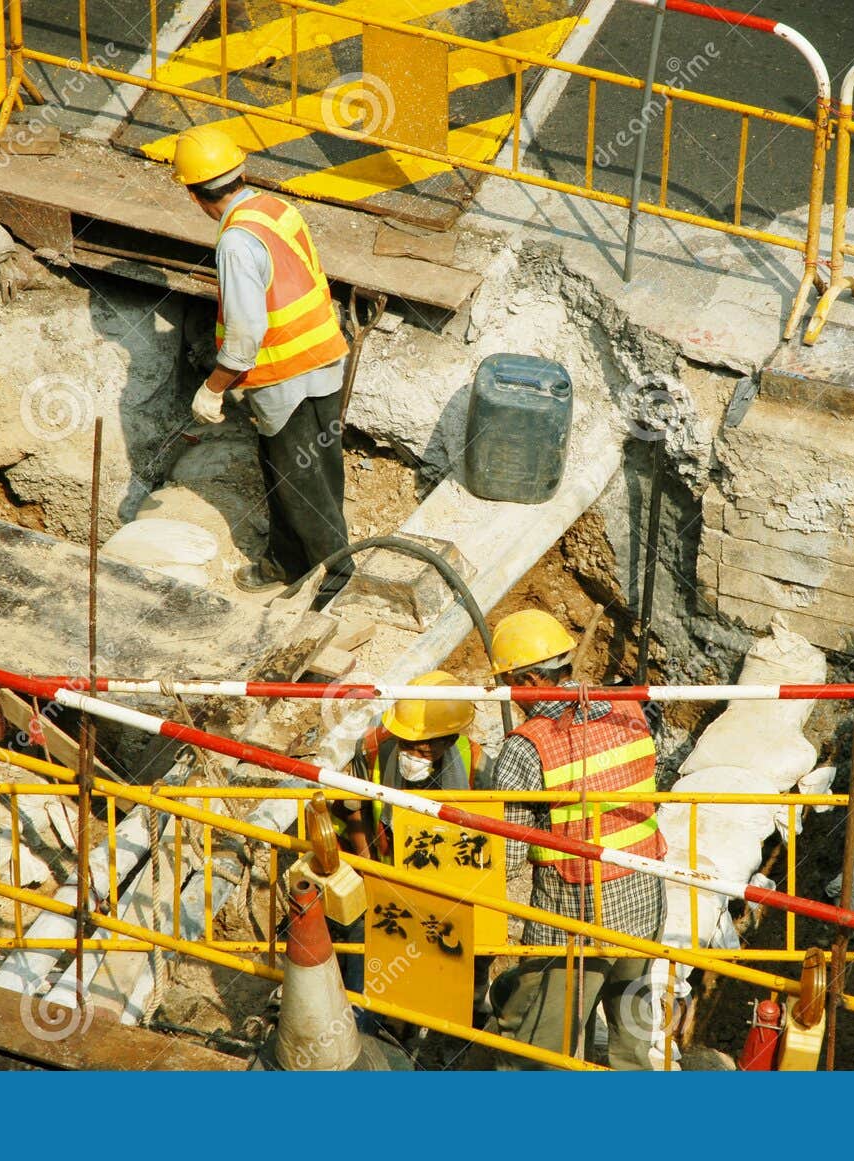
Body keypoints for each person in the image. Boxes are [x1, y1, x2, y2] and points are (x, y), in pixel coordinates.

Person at [171, 125, 353, 600]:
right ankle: (286, 561)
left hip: (284, 373)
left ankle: (333, 580)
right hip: (324, 355)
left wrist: (212, 388)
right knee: (314, 468)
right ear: (241, 171)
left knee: (297, 480)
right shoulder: (277, 209)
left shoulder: (234, 243)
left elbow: (245, 336)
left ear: (194, 195)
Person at [486, 609, 665, 1070]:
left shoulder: (526, 746)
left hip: (574, 923)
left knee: (540, 1052)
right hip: (645, 905)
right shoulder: (630, 709)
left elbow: (505, 857)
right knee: (631, 1046)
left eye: (508, 683)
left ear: (527, 679)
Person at [334, 670, 489, 863]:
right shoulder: (371, 747)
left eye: (424, 752)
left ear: (450, 741)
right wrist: (371, 869)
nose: (412, 758)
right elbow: (355, 808)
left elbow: (489, 833)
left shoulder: (475, 763)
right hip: (390, 864)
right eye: (406, 745)